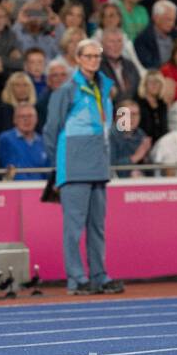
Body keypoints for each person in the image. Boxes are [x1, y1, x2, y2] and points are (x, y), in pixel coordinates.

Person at [43, 38, 124, 296]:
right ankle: (77, 279)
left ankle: (99, 276)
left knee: (97, 227)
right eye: (88, 56)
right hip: (74, 167)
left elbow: (105, 130)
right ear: (78, 59)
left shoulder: (104, 89)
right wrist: (60, 165)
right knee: (74, 227)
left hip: (99, 166)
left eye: (97, 56)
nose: (93, 60)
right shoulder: (66, 91)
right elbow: (51, 131)